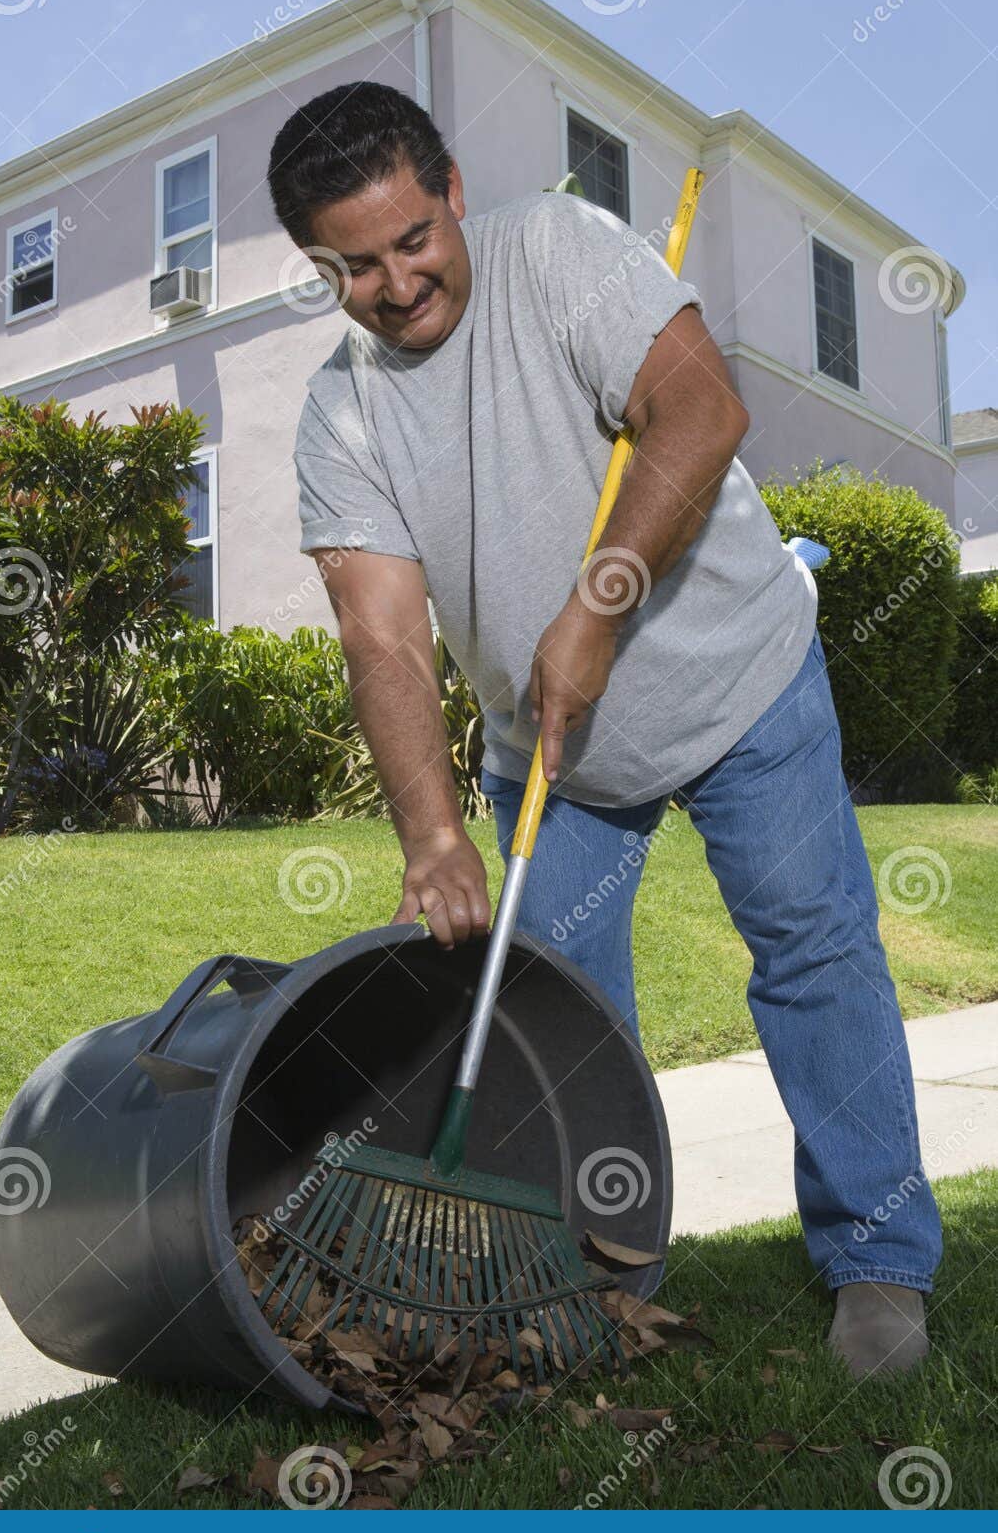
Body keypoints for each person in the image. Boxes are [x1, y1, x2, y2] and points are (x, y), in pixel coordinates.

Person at [266, 80, 941, 1380]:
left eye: (413, 239)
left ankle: (875, 1261)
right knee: (557, 1009)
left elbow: (701, 413)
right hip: (555, 754)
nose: (398, 281)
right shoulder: (341, 417)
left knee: (812, 955)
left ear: (452, 192)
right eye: (356, 265)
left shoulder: (560, 253)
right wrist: (429, 835)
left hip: (737, 676)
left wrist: (596, 604)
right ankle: (610, 1276)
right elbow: (382, 636)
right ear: (321, 266)